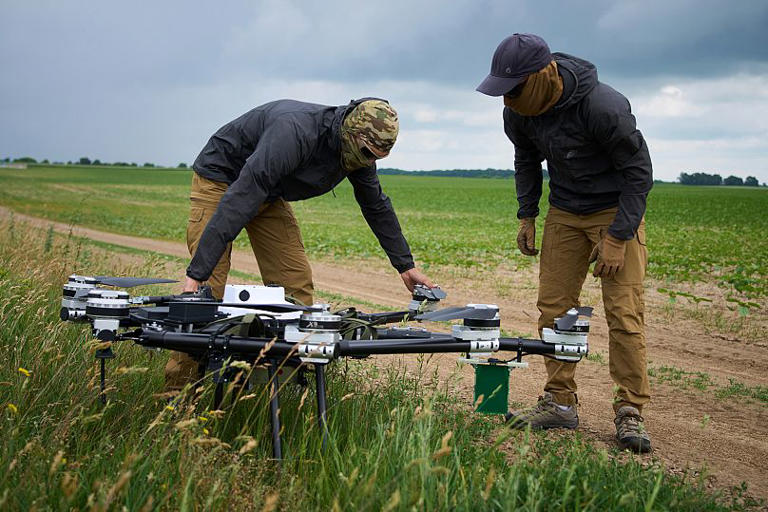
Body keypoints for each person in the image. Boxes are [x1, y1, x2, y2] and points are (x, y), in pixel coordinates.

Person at [165, 98, 435, 392]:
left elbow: (376, 205)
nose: (369, 163)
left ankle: (283, 386)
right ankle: (176, 401)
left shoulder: (358, 152)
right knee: (205, 296)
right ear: (351, 133)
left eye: (377, 158)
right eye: (367, 153)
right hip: (223, 180)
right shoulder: (294, 132)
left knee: (295, 287)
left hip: (269, 191)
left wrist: (406, 267)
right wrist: (198, 273)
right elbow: (243, 194)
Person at [476, 34, 653, 452]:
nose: (508, 100)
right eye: (503, 91)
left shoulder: (603, 107)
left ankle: (630, 411)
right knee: (555, 308)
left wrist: (618, 236)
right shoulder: (518, 114)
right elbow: (526, 160)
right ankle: (560, 402)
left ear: (543, 76)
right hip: (565, 212)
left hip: (615, 211)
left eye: (514, 89)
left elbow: (639, 172)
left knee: (624, 314)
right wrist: (527, 213)